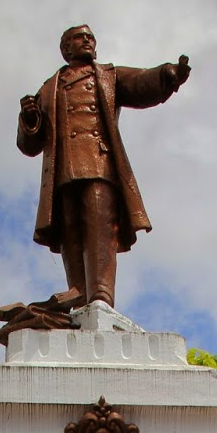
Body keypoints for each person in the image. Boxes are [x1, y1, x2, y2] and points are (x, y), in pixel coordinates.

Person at [17, 24, 190, 308]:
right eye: (79, 38)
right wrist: (29, 118)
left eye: (90, 38)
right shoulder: (48, 89)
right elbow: (30, 146)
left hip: (99, 164)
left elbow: (140, 82)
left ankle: (101, 295)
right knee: (71, 232)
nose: (87, 41)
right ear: (66, 49)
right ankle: (78, 295)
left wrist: (168, 74)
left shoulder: (108, 75)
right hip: (63, 173)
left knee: (100, 228)